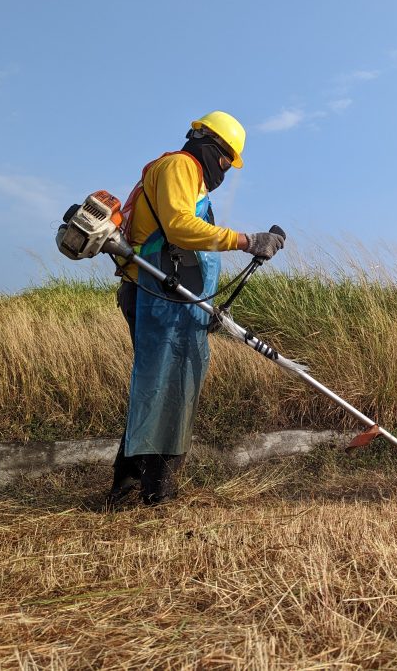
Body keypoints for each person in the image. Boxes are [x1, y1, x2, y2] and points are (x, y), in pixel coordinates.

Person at [109, 111, 285, 506]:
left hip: (178, 302)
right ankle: (138, 490)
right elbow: (179, 228)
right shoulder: (179, 166)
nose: (224, 169)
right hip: (158, 299)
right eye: (226, 160)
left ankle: (148, 487)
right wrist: (246, 240)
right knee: (160, 389)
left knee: (174, 388)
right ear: (211, 147)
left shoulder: (188, 177)